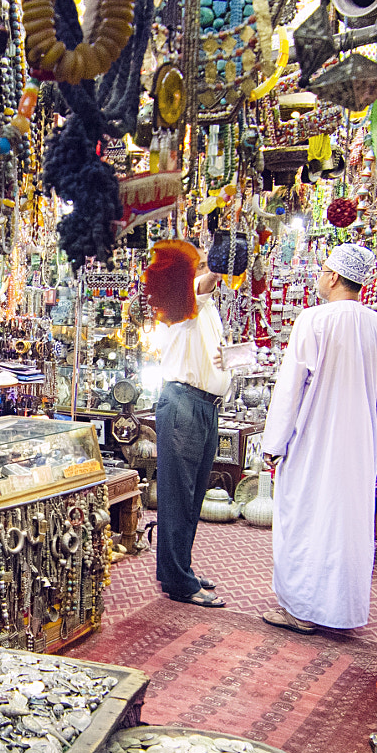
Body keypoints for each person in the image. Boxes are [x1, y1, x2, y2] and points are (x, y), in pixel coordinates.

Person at [259, 243, 377, 633]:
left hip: (313, 441)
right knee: (344, 525)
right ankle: (339, 612)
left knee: (305, 519)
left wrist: (273, 443)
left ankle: (301, 611)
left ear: (333, 276)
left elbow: (291, 387)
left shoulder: (314, 320)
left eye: (322, 271)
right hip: (359, 446)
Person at [143, 239, 230, 608]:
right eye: (201, 263)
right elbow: (205, 285)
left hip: (204, 405)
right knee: (179, 496)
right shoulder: (183, 297)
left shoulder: (204, 309)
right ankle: (179, 581)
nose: (208, 269)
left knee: (191, 496)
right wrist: (220, 265)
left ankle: (180, 569)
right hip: (184, 404)